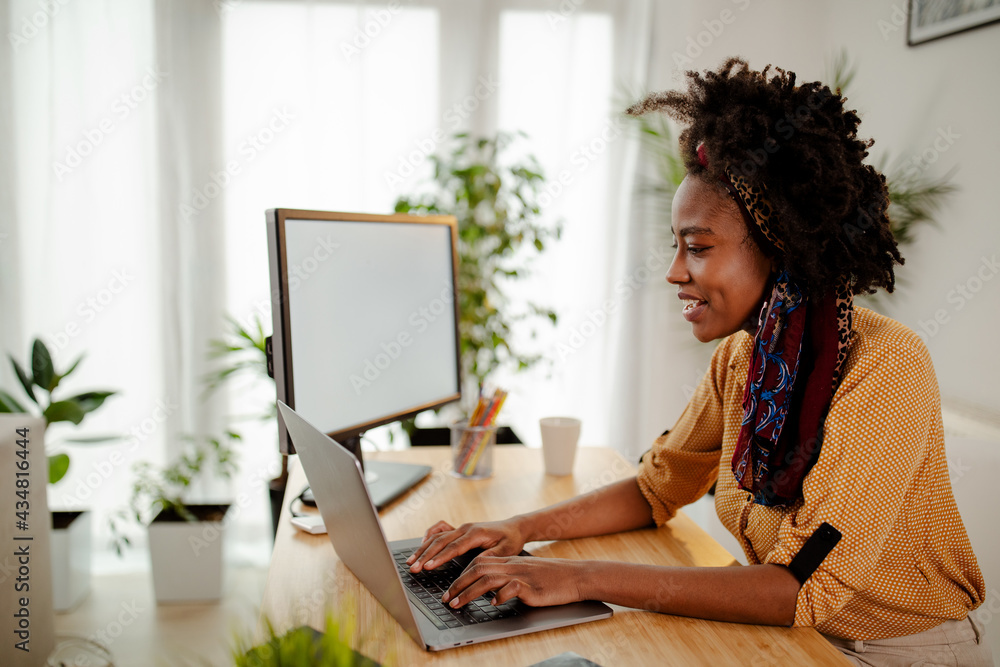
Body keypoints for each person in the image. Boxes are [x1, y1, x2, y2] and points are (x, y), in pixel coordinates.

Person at [405, 58, 991, 666]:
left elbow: (800, 587)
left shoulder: (886, 365)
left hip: (896, 648)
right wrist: (520, 531)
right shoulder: (746, 356)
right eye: (675, 246)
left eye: (698, 248)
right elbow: (658, 487)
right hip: (793, 629)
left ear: (779, 247)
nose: (675, 271)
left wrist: (578, 578)